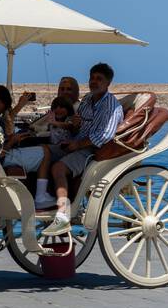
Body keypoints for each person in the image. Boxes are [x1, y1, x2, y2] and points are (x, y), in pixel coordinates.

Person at [43, 63, 123, 236]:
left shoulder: (111, 106)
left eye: (99, 79)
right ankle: (44, 198)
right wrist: (74, 126)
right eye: (92, 78)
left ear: (108, 83)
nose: (94, 82)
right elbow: (78, 126)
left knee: (58, 168)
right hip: (74, 143)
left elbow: (105, 136)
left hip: (90, 151)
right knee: (43, 152)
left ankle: (63, 215)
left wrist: (77, 145)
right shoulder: (87, 100)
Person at [2, 95, 73, 209]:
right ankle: (40, 195)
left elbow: (71, 126)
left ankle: (40, 195)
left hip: (64, 150)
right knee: (42, 149)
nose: (59, 110)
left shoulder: (68, 120)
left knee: (44, 150)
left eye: (62, 107)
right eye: (56, 107)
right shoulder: (52, 122)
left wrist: (54, 123)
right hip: (54, 148)